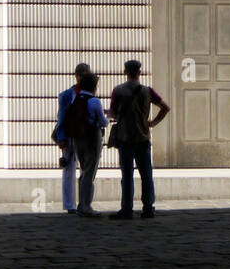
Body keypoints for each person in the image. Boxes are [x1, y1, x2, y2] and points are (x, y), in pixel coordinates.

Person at [106, 59, 169, 219]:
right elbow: (165, 107)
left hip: (125, 138)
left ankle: (127, 209)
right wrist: (152, 122)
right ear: (139, 72)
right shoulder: (147, 91)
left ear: (125, 72)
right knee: (146, 174)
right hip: (143, 137)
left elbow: (113, 113)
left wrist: (110, 113)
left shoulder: (118, 91)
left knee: (127, 175)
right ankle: (148, 208)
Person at [63, 71, 108, 216]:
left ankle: (81, 204)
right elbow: (103, 122)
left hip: (77, 138)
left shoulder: (76, 99)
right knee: (89, 172)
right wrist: (107, 118)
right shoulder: (94, 101)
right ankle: (86, 206)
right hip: (92, 138)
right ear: (94, 86)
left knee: (83, 169)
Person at [53, 63, 91, 214]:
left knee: (85, 169)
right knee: (69, 169)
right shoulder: (66, 95)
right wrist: (61, 137)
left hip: (84, 135)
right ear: (76, 76)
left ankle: (83, 202)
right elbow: (61, 118)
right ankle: (70, 204)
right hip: (69, 135)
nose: (82, 79)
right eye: (81, 75)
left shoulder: (90, 94)